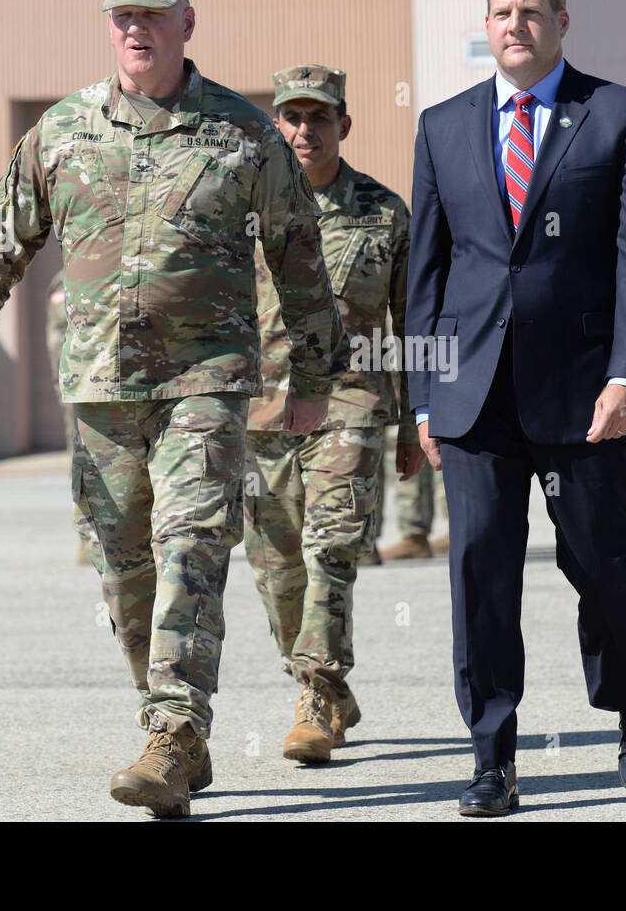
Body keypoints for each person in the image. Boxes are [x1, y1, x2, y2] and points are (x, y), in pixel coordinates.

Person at [0, 0, 346, 818]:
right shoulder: (61, 131)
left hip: (208, 382)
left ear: (186, 24)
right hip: (98, 390)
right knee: (125, 572)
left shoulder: (242, 132)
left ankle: (173, 729)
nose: (136, 28)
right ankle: (173, 726)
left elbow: (300, 259)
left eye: (153, 15)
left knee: (192, 545)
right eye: (122, 15)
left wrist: (312, 378)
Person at [407, 0, 626, 816]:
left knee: (598, 562)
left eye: (530, 11)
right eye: (499, 13)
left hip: (585, 394)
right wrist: (425, 392)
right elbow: (428, 272)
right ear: (485, 27)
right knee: (480, 571)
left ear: (562, 21)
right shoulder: (443, 127)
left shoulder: (621, 116)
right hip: (474, 396)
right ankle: (492, 756)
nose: (514, 25)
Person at [243, 64, 422, 764]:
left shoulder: (384, 211)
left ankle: (318, 696)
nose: (304, 131)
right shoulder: (245, 210)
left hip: (352, 405)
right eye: (291, 118)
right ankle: (320, 678)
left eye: (319, 118)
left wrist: (415, 419)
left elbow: (412, 322)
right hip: (262, 413)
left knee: (330, 552)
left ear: (344, 125)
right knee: (274, 570)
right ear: (275, 127)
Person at [46, 269, 102, 565]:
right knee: (85, 460)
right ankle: (89, 536)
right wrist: (64, 388)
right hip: (81, 386)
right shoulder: (66, 277)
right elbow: (57, 338)